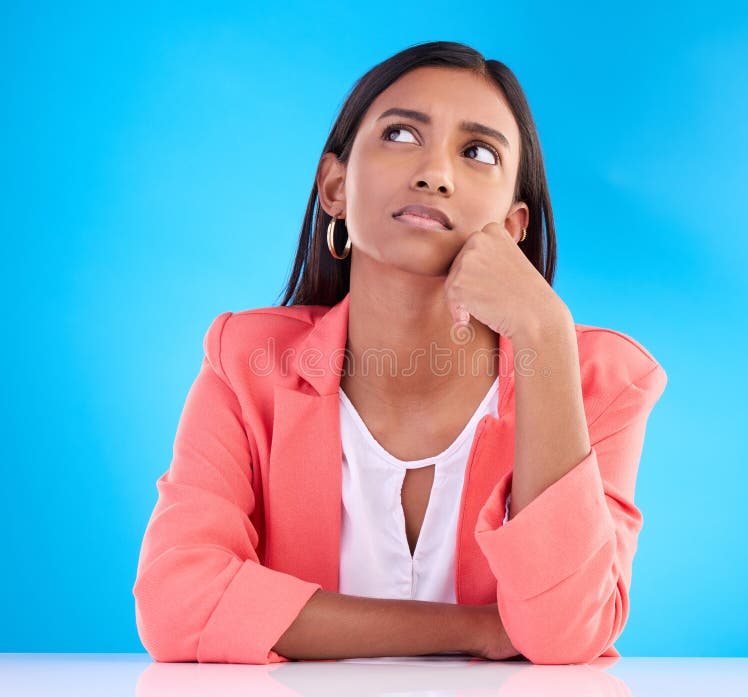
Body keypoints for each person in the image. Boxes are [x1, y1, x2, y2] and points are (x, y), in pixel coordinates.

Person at [132, 40, 668, 665]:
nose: (434, 173)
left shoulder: (603, 381)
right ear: (335, 186)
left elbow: (565, 634)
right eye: (401, 136)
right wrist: (477, 629)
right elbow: (177, 602)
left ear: (514, 225)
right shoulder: (244, 363)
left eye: (477, 152)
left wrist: (543, 334)